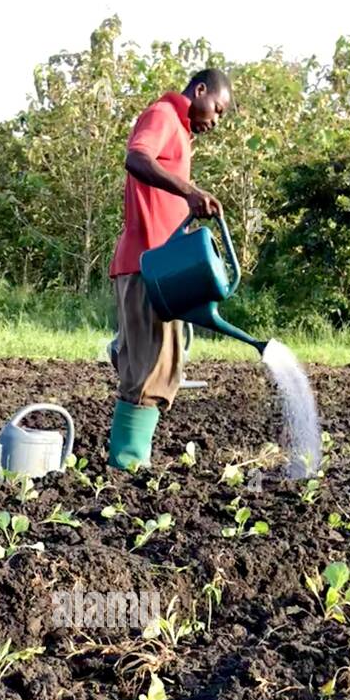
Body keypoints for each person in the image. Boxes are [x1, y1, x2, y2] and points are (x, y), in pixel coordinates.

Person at [108, 68, 232, 469]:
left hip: (162, 269)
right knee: (149, 370)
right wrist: (189, 191)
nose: (216, 120)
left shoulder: (182, 134)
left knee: (164, 366)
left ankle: (130, 460)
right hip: (146, 264)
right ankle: (126, 465)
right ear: (199, 91)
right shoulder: (163, 114)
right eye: (217, 108)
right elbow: (136, 158)